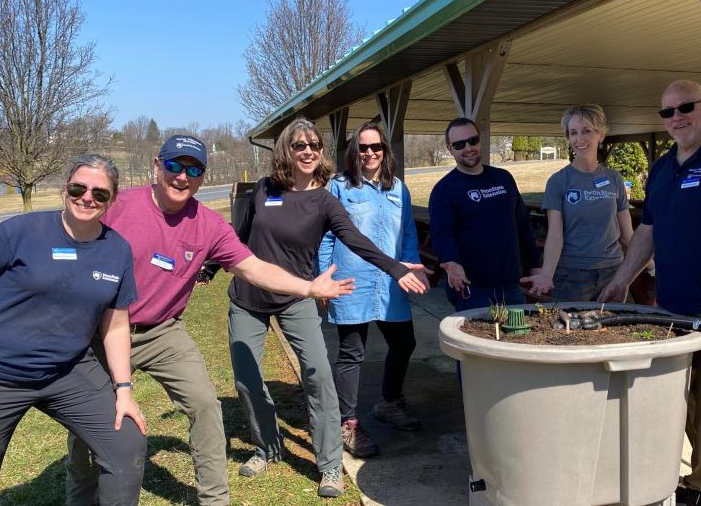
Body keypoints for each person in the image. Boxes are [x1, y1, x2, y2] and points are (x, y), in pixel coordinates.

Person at [66, 136, 353, 506]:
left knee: (205, 405)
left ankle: (215, 499)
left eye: (193, 170)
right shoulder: (120, 204)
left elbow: (253, 267)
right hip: (102, 330)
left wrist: (308, 288)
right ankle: (80, 498)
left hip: (163, 331)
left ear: (202, 177)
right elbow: (72, 235)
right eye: (174, 166)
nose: (182, 176)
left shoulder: (209, 225)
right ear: (157, 165)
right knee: (87, 424)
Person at [227, 119, 428, 497]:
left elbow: (355, 239)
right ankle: (267, 446)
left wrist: (396, 267)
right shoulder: (264, 189)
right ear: (286, 149)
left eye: (314, 145)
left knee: (319, 375)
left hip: (297, 296)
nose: (307, 151)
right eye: (299, 145)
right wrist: (205, 264)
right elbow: (239, 238)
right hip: (249, 296)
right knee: (246, 379)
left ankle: (331, 464)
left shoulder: (325, 198)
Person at [0, 154, 147, 505]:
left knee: (126, 442)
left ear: (112, 201)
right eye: (78, 188)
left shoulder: (117, 251)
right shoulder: (22, 231)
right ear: (64, 189)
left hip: (65, 371)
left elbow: (115, 326)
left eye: (100, 194)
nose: (88, 198)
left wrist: (124, 390)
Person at [599, 80, 701, 506]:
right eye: (666, 112)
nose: (676, 118)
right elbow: (648, 230)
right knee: (678, 396)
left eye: (685, 107)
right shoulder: (664, 168)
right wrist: (622, 279)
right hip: (672, 301)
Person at [318, 122, 422, 459]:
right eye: (363, 148)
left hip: (390, 283)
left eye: (376, 147)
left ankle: (389, 402)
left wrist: (411, 266)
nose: (370, 153)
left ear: (385, 151)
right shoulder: (338, 187)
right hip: (352, 282)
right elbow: (326, 237)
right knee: (352, 353)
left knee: (404, 342)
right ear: (354, 152)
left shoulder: (398, 189)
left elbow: (407, 233)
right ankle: (347, 423)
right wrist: (324, 279)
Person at [521, 105, 634, 301]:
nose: (579, 139)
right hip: (571, 276)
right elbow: (555, 235)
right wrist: (547, 274)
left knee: (613, 331)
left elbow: (627, 234)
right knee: (570, 331)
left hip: (613, 272)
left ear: (601, 135)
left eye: (586, 131)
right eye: (573, 133)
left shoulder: (614, 178)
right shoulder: (558, 181)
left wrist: (652, 267)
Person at [428, 117, 541, 311]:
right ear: (449, 148)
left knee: (517, 339)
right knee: (479, 341)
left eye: (473, 141)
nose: (468, 148)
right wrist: (452, 264)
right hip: (473, 290)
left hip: (511, 287)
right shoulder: (444, 190)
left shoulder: (503, 178)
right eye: (459, 144)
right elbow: (442, 236)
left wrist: (536, 266)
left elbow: (523, 225)